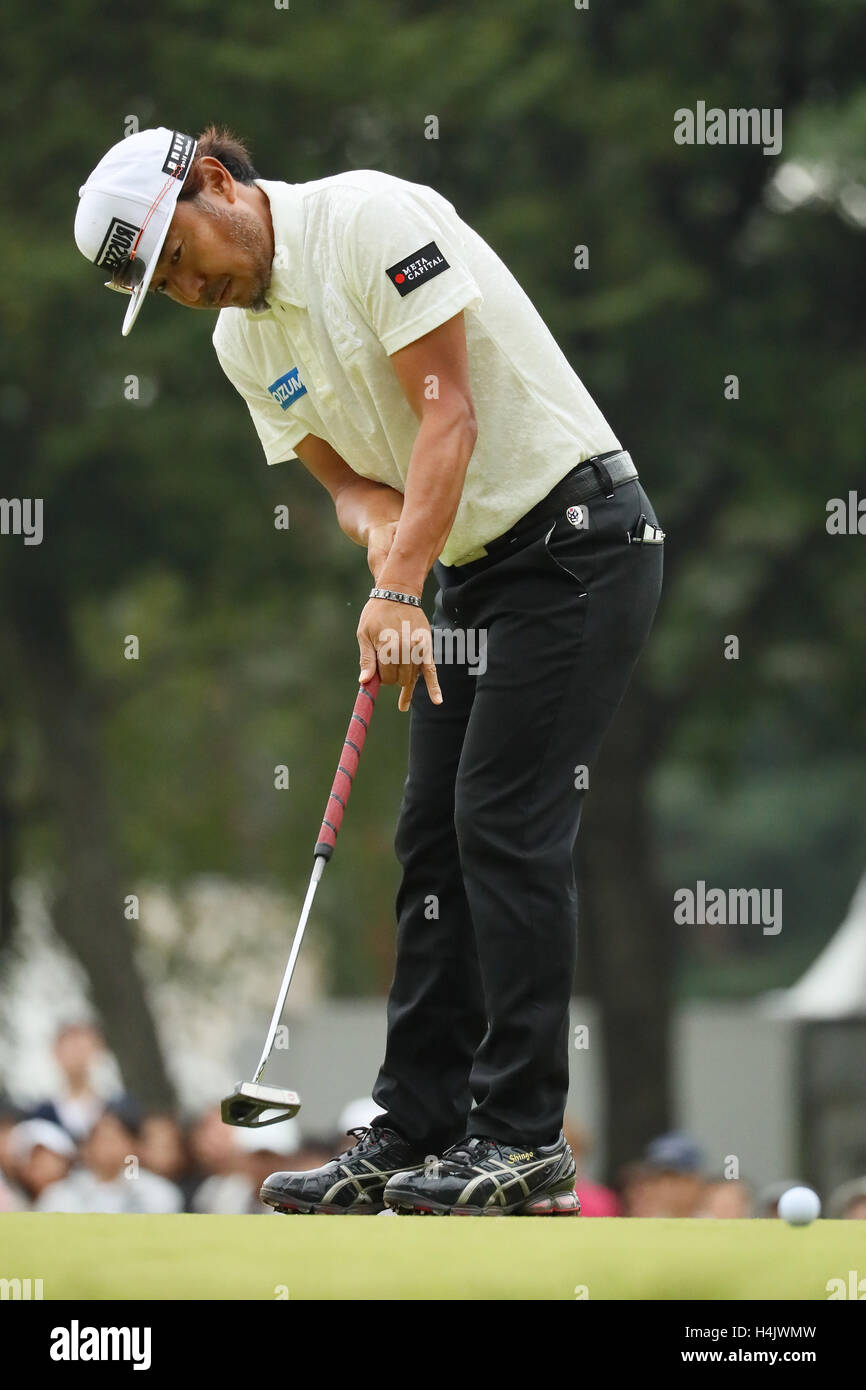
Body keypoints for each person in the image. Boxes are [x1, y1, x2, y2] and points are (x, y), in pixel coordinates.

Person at [76, 125, 663, 1217]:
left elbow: (450, 413)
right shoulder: (240, 346)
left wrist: (394, 588)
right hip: (469, 572)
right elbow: (346, 484)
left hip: (578, 540)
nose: (185, 288)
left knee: (503, 819)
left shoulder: (368, 219)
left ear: (213, 183)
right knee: (430, 842)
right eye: (159, 284)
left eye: (178, 256)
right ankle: (415, 1125)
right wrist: (381, 531)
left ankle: (524, 1136)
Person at [37, 1100, 182, 1213]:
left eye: (117, 1138)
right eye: (102, 1138)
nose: (109, 1147)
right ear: (87, 1147)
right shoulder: (59, 1197)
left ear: (133, 1146)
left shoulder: (160, 1193)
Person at [29, 1021, 109, 1142]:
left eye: (81, 1049)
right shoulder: (42, 1116)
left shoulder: (117, 1109)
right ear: (56, 1054)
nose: (76, 1057)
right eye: (70, 1050)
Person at [6, 1118, 77, 1209]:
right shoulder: (17, 1204)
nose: (37, 1164)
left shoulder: (80, 1197)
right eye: (29, 1157)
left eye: (41, 1155)